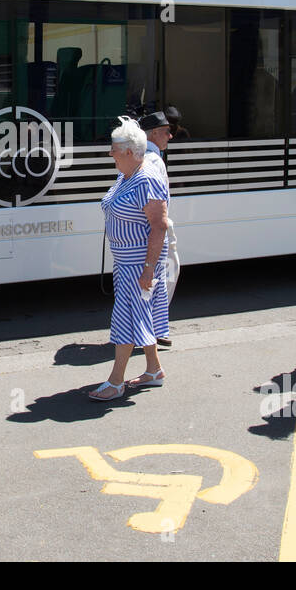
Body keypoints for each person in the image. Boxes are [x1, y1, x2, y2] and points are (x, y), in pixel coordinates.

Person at [90, 117, 169, 400]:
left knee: (125, 320)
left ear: (128, 151)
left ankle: (115, 381)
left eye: (114, 148)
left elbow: (159, 226)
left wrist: (148, 270)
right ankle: (154, 370)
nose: (110, 153)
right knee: (139, 316)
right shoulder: (127, 175)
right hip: (125, 262)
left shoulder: (146, 178)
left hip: (137, 263)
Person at [138, 110, 179, 347]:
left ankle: (150, 327)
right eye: (166, 132)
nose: (170, 136)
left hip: (149, 226)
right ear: (153, 133)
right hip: (157, 225)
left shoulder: (140, 156)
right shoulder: (154, 160)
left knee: (157, 275)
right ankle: (152, 328)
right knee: (165, 273)